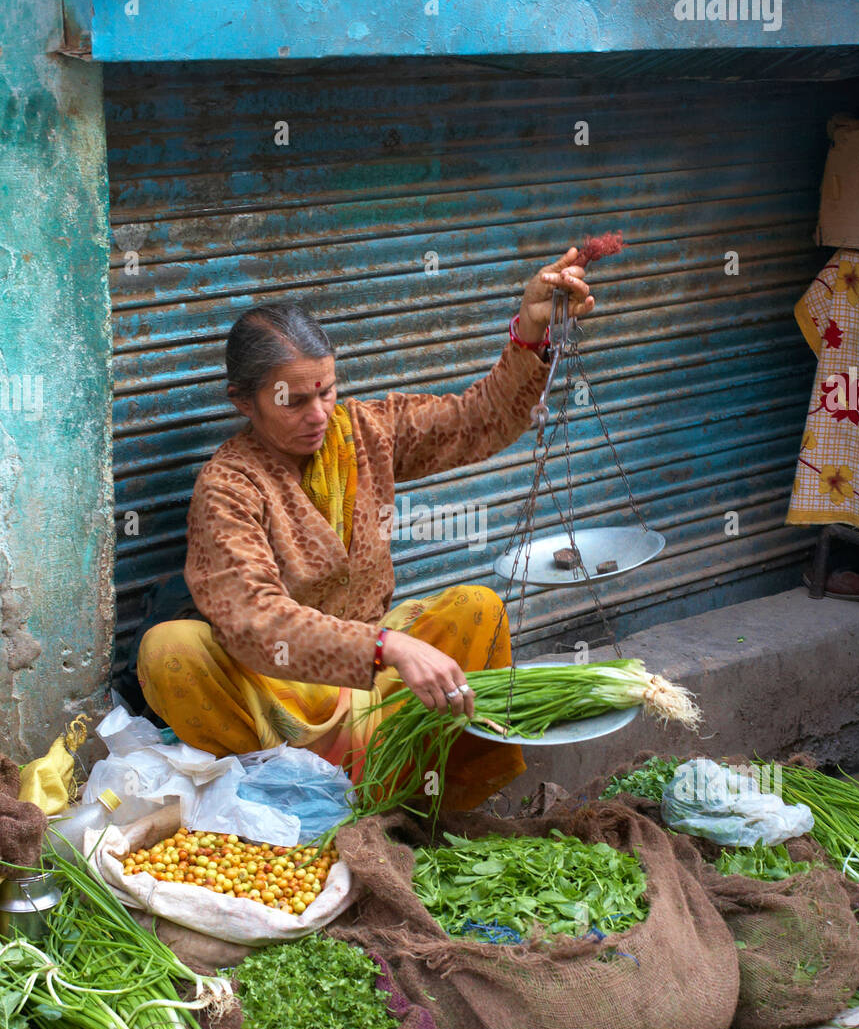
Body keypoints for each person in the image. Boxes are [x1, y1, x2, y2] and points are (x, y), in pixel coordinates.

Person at [137, 248, 595, 811]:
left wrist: (529, 331)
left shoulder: (366, 432)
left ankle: (405, 789)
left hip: (377, 683)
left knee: (478, 607)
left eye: (327, 390)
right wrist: (382, 646)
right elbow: (253, 618)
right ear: (243, 402)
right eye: (295, 401)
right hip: (282, 688)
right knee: (170, 651)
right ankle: (302, 788)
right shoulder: (229, 485)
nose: (319, 414)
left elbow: (479, 419)